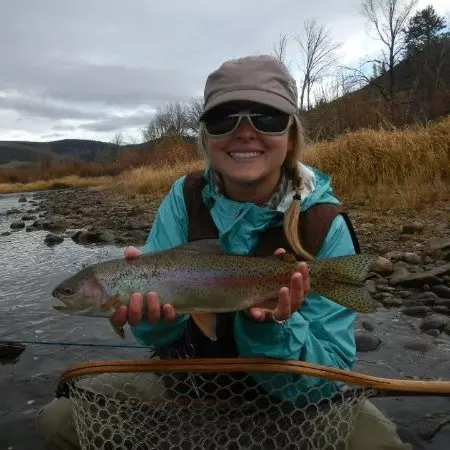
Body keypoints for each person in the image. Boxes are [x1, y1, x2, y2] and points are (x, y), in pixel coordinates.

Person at [37, 55, 412, 450]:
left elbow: (330, 378)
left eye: (265, 117)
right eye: (224, 119)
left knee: (379, 443)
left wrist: (271, 327)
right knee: (61, 419)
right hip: (191, 390)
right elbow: (165, 333)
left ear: (291, 134)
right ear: (205, 137)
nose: (244, 132)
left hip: (297, 406)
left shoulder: (323, 222)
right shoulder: (184, 199)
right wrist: (155, 323)